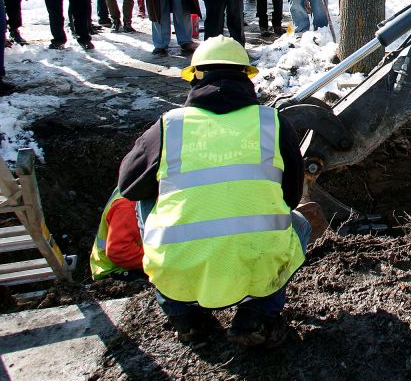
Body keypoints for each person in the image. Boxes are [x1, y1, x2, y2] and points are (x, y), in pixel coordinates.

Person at [117, 37, 311, 346]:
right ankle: (258, 318)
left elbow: (128, 186)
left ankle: (186, 318)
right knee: (299, 225)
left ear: (195, 76)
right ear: (247, 77)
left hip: (182, 267)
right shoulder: (272, 124)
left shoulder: (169, 127)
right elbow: (291, 197)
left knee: (147, 200)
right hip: (255, 261)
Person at [89, 188, 145, 280]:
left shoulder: (129, 186)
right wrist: (157, 260)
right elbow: (120, 251)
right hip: (117, 271)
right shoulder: (129, 206)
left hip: (119, 266)